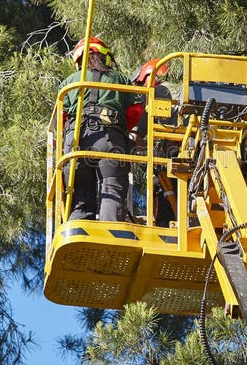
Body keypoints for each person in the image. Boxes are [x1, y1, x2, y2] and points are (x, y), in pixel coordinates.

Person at [61, 37, 143, 222]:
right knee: (111, 189)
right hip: (110, 138)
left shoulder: (69, 82)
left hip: (75, 142)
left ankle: (78, 233)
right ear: (105, 57)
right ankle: (109, 235)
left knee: (80, 195)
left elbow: (61, 118)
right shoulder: (120, 79)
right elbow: (135, 111)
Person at [131, 59, 177, 226]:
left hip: (174, 165)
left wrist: (145, 161)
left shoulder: (155, 93)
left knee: (166, 219)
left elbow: (136, 136)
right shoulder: (188, 91)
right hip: (201, 161)